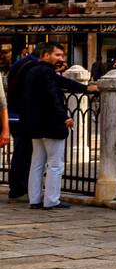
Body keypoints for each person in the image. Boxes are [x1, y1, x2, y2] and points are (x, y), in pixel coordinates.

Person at [21, 42, 74, 211]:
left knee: (37, 162)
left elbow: (62, 82)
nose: (61, 58)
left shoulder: (32, 71)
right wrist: (64, 117)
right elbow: (53, 97)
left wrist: (87, 87)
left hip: (35, 125)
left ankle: (34, 199)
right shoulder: (47, 72)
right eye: (57, 55)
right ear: (46, 55)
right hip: (51, 125)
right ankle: (51, 200)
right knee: (55, 163)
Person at [5, 47, 40, 200]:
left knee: (20, 150)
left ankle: (17, 186)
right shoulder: (32, 67)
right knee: (24, 151)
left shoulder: (19, 64)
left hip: (14, 113)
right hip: (23, 114)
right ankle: (19, 186)